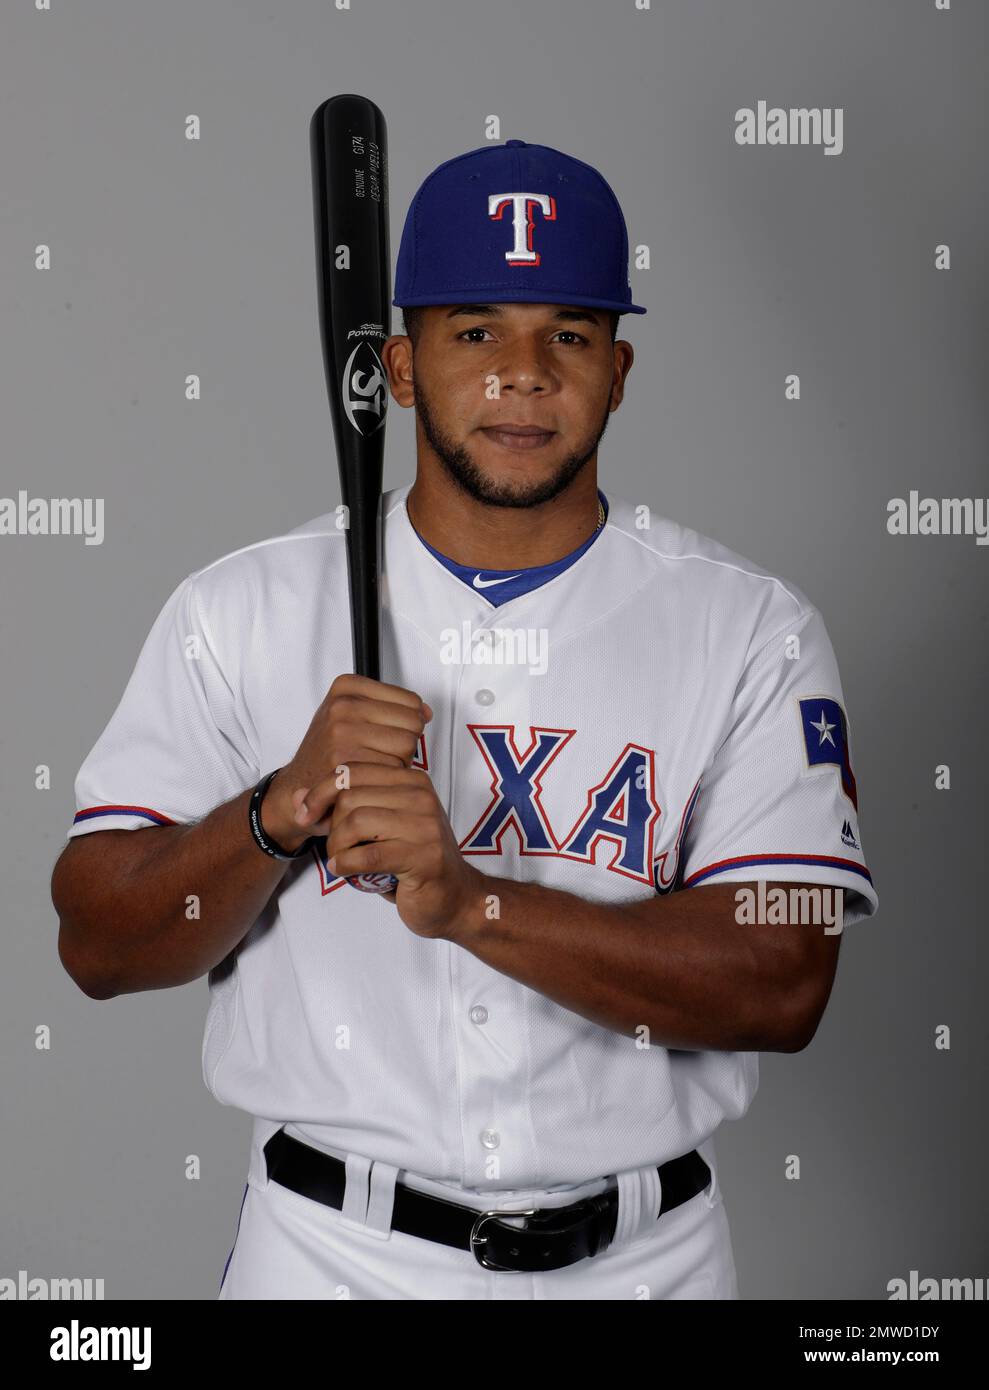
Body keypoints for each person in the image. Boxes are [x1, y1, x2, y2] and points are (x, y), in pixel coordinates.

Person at [52, 138, 878, 1300]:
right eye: (476, 330)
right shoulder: (240, 610)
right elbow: (97, 944)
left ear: (620, 370)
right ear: (396, 366)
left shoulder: (747, 628)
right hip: (330, 1256)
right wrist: (273, 816)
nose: (523, 374)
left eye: (569, 335)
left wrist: (472, 902)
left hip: (644, 1265)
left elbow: (779, 981)